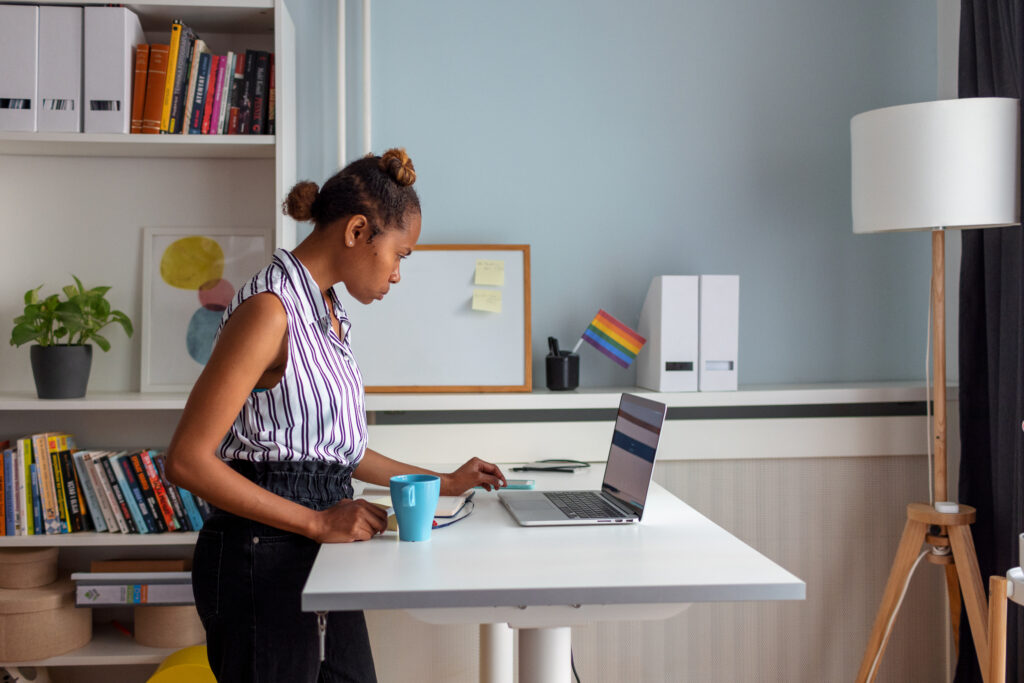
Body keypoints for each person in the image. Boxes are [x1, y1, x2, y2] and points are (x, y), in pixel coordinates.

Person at [164, 148, 507, 683]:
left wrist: (444, 482)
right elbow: (186, 461)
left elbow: (335, 451)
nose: (398, 274)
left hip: (319, 541)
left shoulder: (327, 312)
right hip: (262, 556)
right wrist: (317, 521)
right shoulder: (270, 310)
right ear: (357, 231)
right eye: (400, 255)